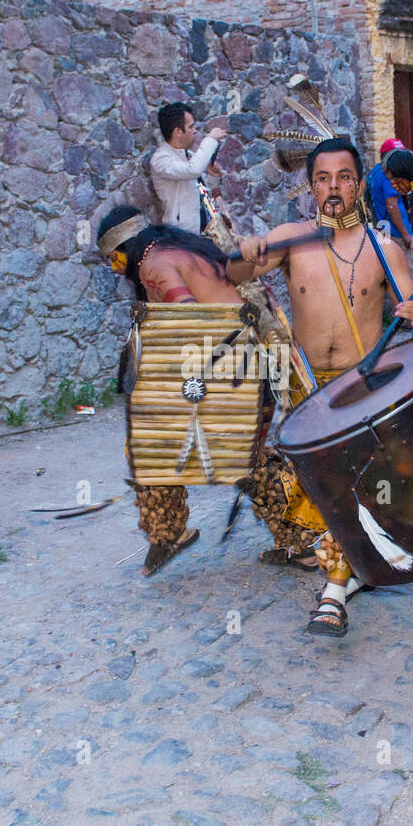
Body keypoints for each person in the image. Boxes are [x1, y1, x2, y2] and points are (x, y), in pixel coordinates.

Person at [229, 137, 413, 636]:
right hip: (304, 388)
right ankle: (343, 557)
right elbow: (234, 273)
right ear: (311, 186)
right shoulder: (291, 239)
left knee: (348, 488)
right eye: (323, 179)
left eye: (344, 177)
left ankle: (335, 593)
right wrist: (245, 254)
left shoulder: (383, 249)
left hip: (358, 387)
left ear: (359, 184)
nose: (334, 187)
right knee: (311, 488)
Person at [95, 206, 320, 575]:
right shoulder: (180, 251)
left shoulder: (153, 267)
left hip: (230, 372)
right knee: (243, 461)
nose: (113, 267)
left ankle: (170, 533)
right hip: (249, 366)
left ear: (125, 248)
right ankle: (300, 542)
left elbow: (192, 320)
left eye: (112, 258)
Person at [149, 103, 227, 233]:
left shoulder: (187, 155)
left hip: (204, 234)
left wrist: (213, 177)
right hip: (183, 237)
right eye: (191, 127)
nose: (195, 130)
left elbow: (201, 194)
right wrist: (210, 140)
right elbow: (193, 170)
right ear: (178, 132)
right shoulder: (160, 160)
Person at [366, 147, 413, 247]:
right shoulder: (392, 173)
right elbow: (392, 207)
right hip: (395, 234)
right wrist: (406, 235)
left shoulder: (377, 170)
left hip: (383, 228)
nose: (392, 182)